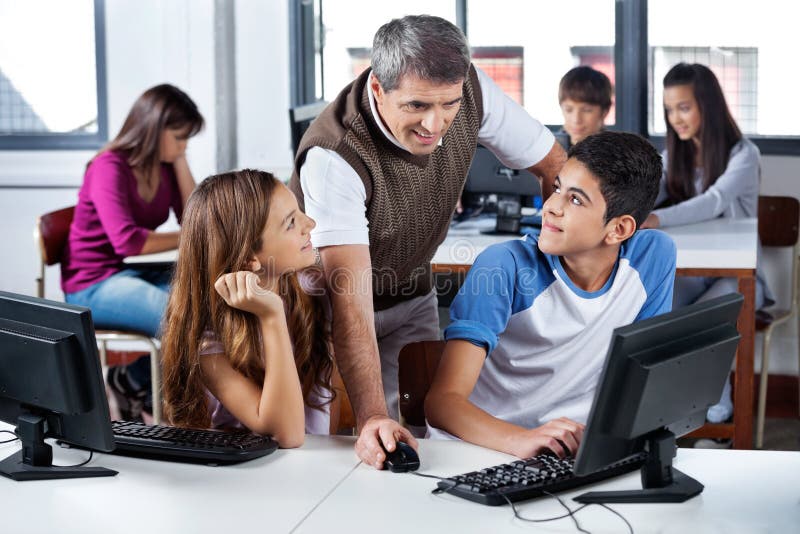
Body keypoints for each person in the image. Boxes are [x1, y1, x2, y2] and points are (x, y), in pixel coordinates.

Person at [288, 14, 567, 468]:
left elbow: (552, 163)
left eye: (448, 105)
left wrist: (562, 264)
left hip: (410, 293)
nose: (435, 125)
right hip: (321, 308)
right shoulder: (334, 155)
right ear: (378, 88)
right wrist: (373, 416)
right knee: (313, 450)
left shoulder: (470, 89)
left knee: (423, 439)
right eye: (416, 106)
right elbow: (349, 305)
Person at [424, 131, 676, 457]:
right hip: (479, 449)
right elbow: (442, 404)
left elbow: (643, 380)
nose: (550, 207)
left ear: (619, 229)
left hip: (566, 452)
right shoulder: (503, 266)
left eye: (575, 199)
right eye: (557, 188)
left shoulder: (653, 258)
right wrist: (523, 440)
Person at [161, 169, 342, 444]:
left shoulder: (313, 292)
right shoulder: (209, 342)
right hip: (251, 476)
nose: (311, 223)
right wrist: (271, 316)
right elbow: (286, 435)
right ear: (249, 259)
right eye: (291, 223)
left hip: (315, 465)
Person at [61, 84, 204, 420]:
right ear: (153, 129)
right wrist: (186, 236)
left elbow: (195, 216)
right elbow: (127, 241)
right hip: (92, 283)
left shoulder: (165, 163)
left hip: (128, 272)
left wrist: (180, 158)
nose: (184, 145)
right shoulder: (108, 166)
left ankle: (131, 380)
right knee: (178, 317)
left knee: (205, 300)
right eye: (179, 137)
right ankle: (160, 400)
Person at [641, 62, 773, 425]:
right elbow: (651, 193)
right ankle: (663, 402)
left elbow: (714, 201)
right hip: (700, 272)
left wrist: (657, 218)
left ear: (708, 107)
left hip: (743, 278)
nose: (675, 118)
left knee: (703, 318)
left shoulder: (744, 154)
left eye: (684, 107)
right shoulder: (674, 155)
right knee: (657, 307)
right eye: (669, 110)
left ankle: (716, 394)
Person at [557, 66, 612, 148]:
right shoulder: (547, 152)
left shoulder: (619, 155)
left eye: (587, 110)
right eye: (568, 109)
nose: (576, 120)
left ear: (605, 112)